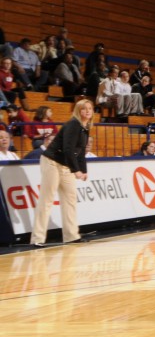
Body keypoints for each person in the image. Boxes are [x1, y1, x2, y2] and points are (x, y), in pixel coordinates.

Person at [30, 98, 93, 246]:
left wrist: (83, 170)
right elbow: (68, 149)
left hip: (65, 166)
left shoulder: (85, 127)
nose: (87, 111)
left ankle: (71, 235)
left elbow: (81, 151)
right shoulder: (73, 124)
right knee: (47, 200)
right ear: (78, 111)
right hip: (52, 162)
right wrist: (76, 170)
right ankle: (37, 239)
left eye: (90, 108)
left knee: (70, 199)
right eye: (84, 109)